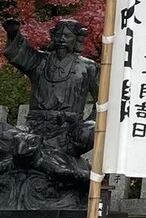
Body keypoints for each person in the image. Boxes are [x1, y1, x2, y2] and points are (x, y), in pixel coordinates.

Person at [1, 17, 98, 198]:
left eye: (67, 35)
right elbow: (20, 54)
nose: (62, 39)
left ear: (77, 39)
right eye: (59, 35)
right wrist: (13, 33)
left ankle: (36, 150)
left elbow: (103, 104)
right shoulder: (40, 61)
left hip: (68, 131)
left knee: (91, 130)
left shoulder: (88, 67)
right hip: (33, 128)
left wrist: (90, 124)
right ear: (53, 37)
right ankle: (36, 149)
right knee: (7, 133)